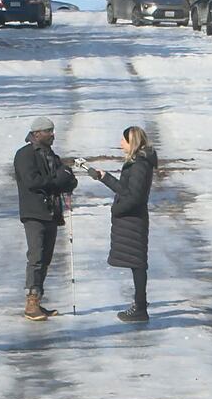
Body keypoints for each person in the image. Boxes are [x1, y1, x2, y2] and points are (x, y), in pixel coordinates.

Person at [85, 126, 156, 323]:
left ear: (131, 142)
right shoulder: (137, 163)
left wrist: (117, 210)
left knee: (138, 263)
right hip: (131, 218)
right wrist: (104, 177)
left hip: (133, 219)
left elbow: (134, 197)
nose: (120, 144)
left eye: (123, 141)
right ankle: (140, 305)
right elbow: (126, 190)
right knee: (136, 263)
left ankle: (140, 308)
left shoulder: (140, 165)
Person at [13, 116, 77, 321]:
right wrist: (57, 180)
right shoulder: (25, 155)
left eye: (53, 131)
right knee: (36, 256)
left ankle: (38, 299)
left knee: (46, 257)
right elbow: (32, 182)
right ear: (37, 133)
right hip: (33, 212)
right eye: (49, 131)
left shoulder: (51, 155)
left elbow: (69, 180)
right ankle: (31, 301)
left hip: (51, 213)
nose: (53, 135)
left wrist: (65, 180)